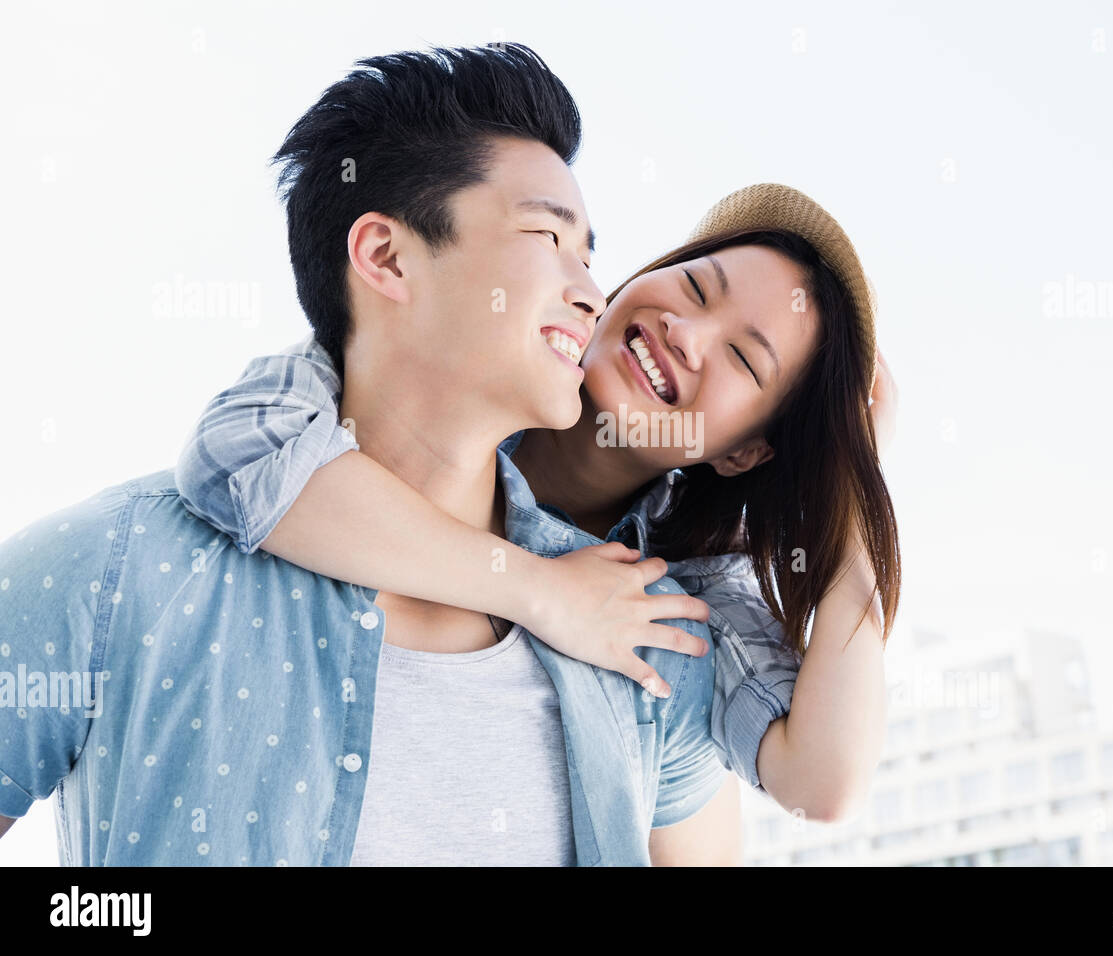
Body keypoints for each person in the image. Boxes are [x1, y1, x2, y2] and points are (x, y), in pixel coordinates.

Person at [0, 44, 726, 867]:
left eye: (588, 255)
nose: (591, 291)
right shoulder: (115, 572)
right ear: (385, 256)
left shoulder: (638, 629)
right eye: (546, 237)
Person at [173, 168, 903, 842]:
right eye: (697, 289)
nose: (687, 333)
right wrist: (542, 592)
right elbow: (237, 454)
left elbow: (822, 783)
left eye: (744, 360)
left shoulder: (688, 588)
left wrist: (855, 504)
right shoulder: (456, 354)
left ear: (745, 452)